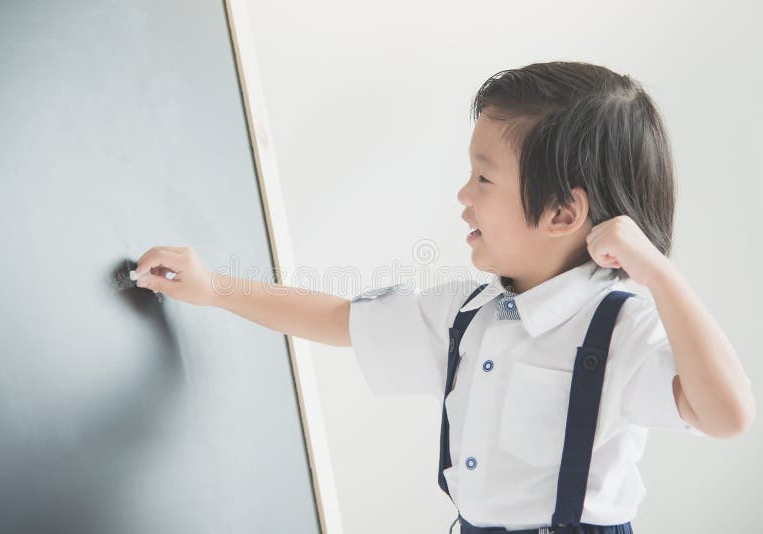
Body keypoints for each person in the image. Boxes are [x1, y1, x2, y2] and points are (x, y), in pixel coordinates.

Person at [131, 61, 754, 533]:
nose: (464, 194)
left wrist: (660, 276)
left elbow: (726, 415)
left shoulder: (620, 327)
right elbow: (341, 320)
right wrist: (216, 289)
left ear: (564, 211)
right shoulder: (467, 314)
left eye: (484, 177)